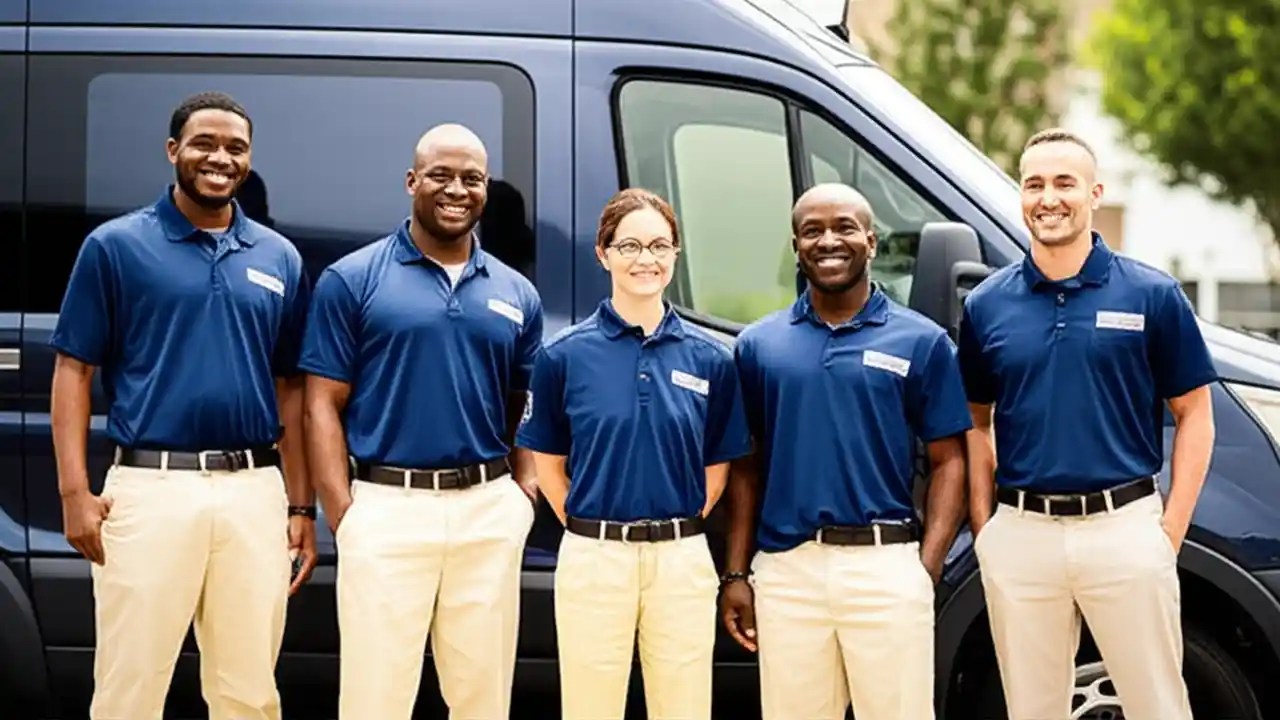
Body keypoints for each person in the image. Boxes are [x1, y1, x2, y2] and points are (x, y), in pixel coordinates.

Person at [49, 91, 316, 720]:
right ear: (174, 151)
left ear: (248, 161)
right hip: (149, 487)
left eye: (235, 147)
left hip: (254, 491)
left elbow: (292, 391)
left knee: (249, 692)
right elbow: (72, 369)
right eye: (204, 143)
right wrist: (73, 494)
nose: (219, 157)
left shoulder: (278, 257)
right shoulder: (116, 247)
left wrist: (300, 506)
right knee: (130, 687)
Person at [958, 128, 1216, 720]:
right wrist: (986, 527)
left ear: (1094, 193)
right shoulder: (987, 306)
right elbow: (974, 420)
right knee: (1032, 709)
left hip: (1124, 528)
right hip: (1022, 534)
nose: (1048, 198)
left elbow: (1195, 413)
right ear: (1021, 196)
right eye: (1034, 184)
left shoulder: (1152, 295)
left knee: (1158, 705)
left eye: (1064, 183)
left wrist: (1166, 535)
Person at [300, 123, 542, 720]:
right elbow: (319, 404)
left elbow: (525, 407)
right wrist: (343, 514)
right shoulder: (352, 280)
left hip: (488, 508)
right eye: (441, 175)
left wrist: (523, 495)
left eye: (471, 178)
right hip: (385, 507)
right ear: (412, 181)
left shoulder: (517, 293)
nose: (456, 189)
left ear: (486, 190)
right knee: (375, 697)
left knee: (483, 698)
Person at [720, 183, 971, 720]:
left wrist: (926, 565)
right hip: (789, 572)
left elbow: (951, 460)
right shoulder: (759, 346)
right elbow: (746, 469)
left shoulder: (921, 342)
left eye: (844, 227)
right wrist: (737, 574)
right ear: (796, 246)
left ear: (871, 242)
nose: (828, 240)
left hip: (887, 565)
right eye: (812, 230)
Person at [516, 188, 751, 720]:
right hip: (594, 556)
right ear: (603, 254)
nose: (645, 259)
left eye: (658, 245)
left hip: (681, 558)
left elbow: (719, 465)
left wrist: (681, 524)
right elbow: (548, 463)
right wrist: (588, 523)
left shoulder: (711, 359)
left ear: (675, 254)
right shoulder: (563, 355)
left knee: (685, 706)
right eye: (629, 246)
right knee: (590, 707)